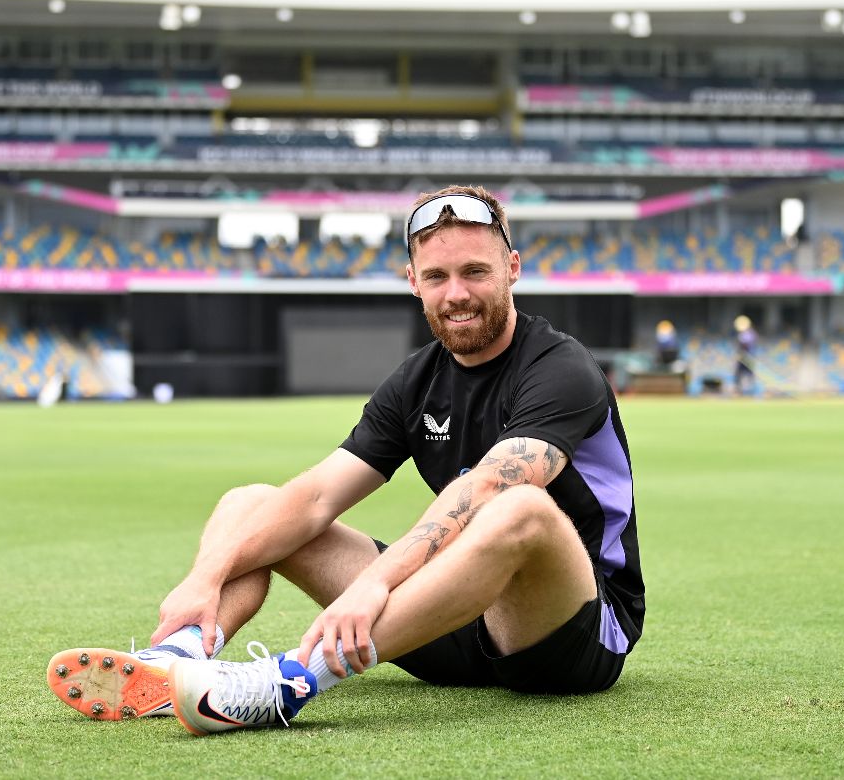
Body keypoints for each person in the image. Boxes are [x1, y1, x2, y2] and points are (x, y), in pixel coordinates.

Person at [45, 185, 645, 734]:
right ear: (413, 280)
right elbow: (315, 499)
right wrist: (204, 578)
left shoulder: (561, 368)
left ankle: (292, 682)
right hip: (447, 620)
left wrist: (374, 584)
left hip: (567, 633)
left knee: (522, 508)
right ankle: (176, 658)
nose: (456, 293)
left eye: (475, 272)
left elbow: (490, 489)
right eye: (437, 276)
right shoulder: (416, 380)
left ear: (512, 269)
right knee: (252, 505)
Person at [733, 315, 757, 395]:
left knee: (749, 374)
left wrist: (741, 353)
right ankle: (740, 390)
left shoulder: (748, 334)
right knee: (739, 374)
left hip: (747, 357)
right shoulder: (748, 334)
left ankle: (751, 391)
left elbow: (745, 345)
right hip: (744, 357)